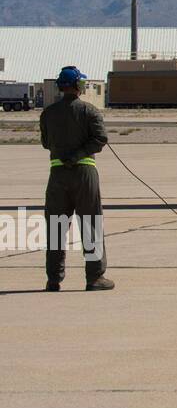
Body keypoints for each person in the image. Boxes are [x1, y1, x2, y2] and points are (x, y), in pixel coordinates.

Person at [39, 66, 113, 291]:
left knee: (56, 227)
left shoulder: (48, 113)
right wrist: (78, 154)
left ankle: (54, 279)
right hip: (84, 173)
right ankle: (94, 277)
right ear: (79, 86)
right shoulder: (89, 111)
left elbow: (45, 143)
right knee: (90, 224)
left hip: (57, 174)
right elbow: (100, 138)